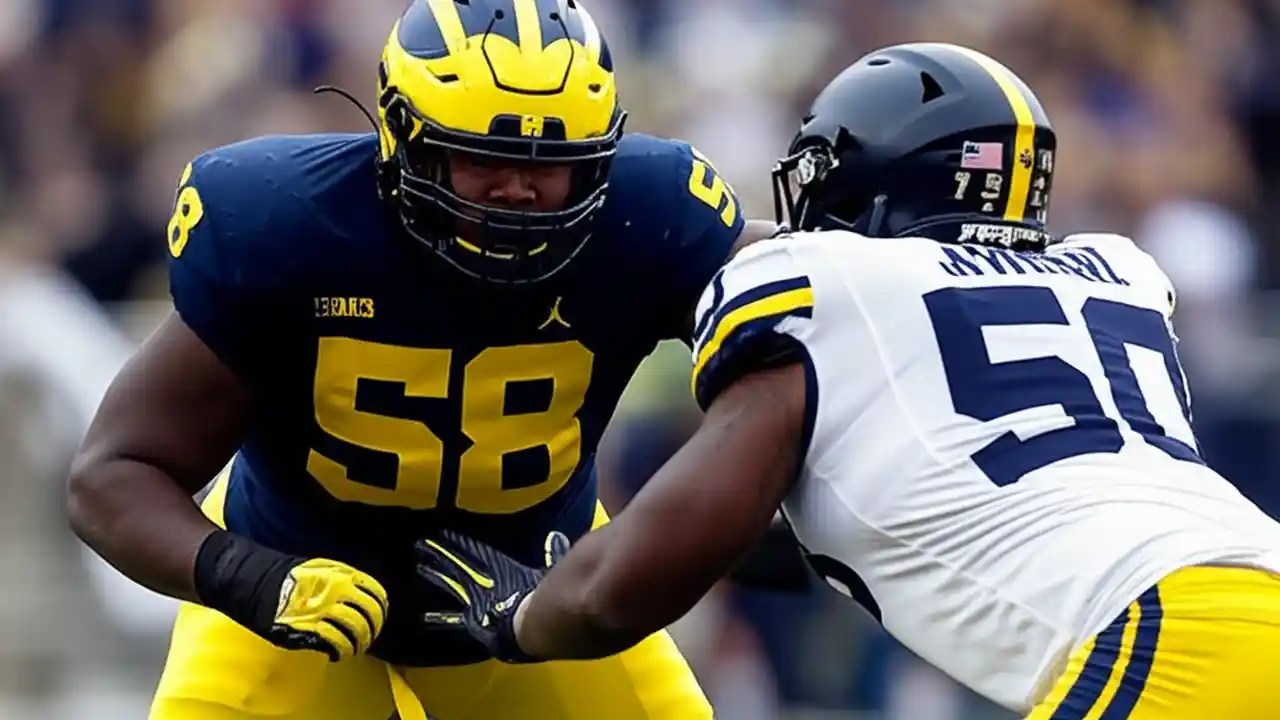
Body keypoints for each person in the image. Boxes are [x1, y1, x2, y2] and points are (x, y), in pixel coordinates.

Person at [416, 42, 1280, 718]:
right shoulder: (1113, 275)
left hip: (1172, 643)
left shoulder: (832, 282)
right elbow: (817, 529)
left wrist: (523, 614)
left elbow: (628, 586)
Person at [67, 1, 774, 718]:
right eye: (483, 158)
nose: (517, 192)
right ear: (405, 140)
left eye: (550, 165)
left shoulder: (647, 217)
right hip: (291, 609)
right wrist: (251, 578)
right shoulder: (286, 226)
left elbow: (798, 305)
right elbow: (112, 473)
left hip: (540, 601)